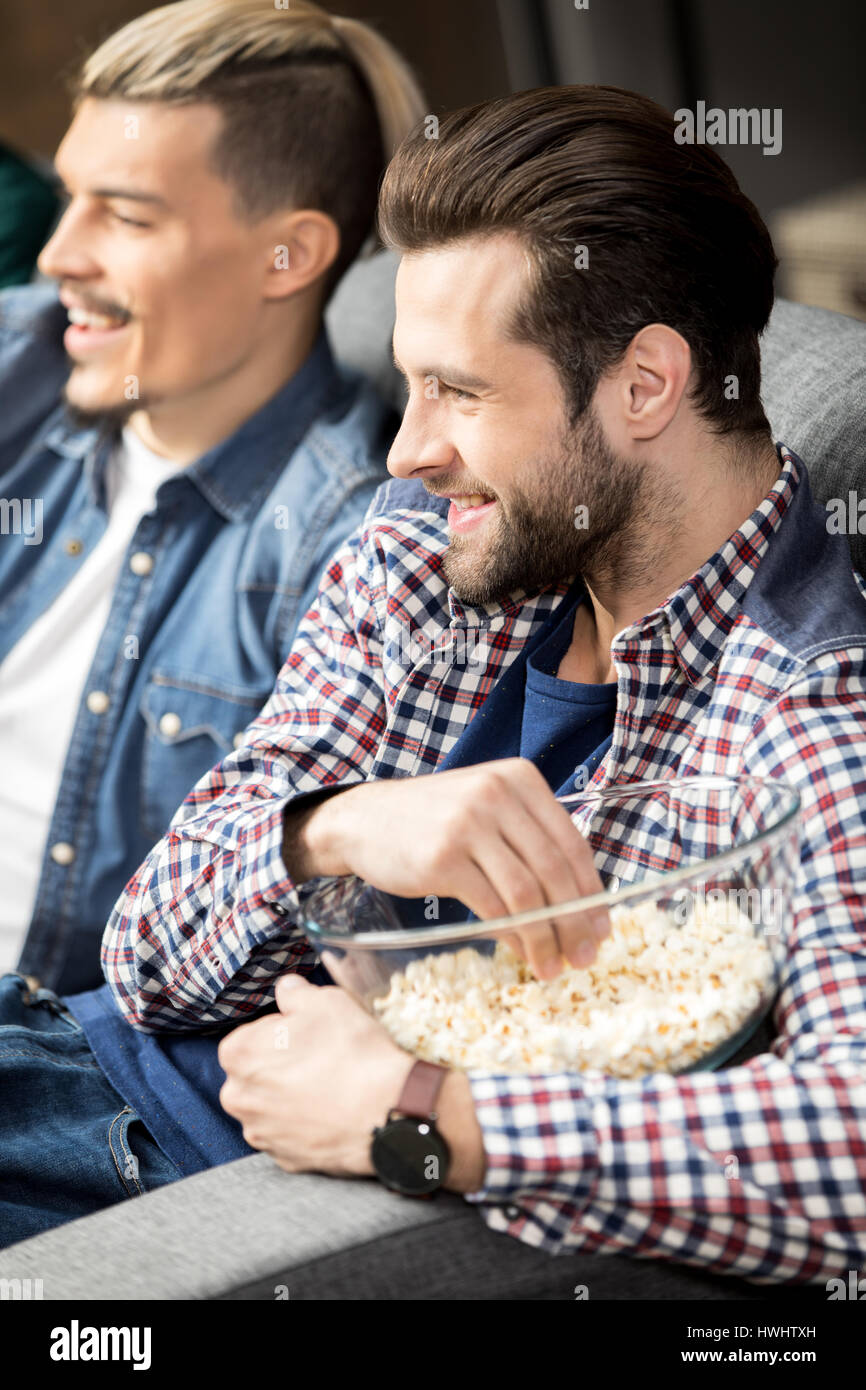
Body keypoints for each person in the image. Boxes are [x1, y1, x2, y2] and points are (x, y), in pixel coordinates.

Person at [2, 85, 865, 1294]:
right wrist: (337, 826)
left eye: (460, 391)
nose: (408, 447)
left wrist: (420, 1112)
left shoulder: (804, 711)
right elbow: (148, 951)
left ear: (645, 384)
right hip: (59, 1060)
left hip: (190, 1195)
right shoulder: (426, 553)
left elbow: (848, 1143)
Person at [0, 0, 424, 993]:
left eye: (128, 215)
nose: (61, 254)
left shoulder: (345, 547)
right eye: (70, 198)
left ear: (290, 255)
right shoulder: (27, 357)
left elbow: (299, 954)